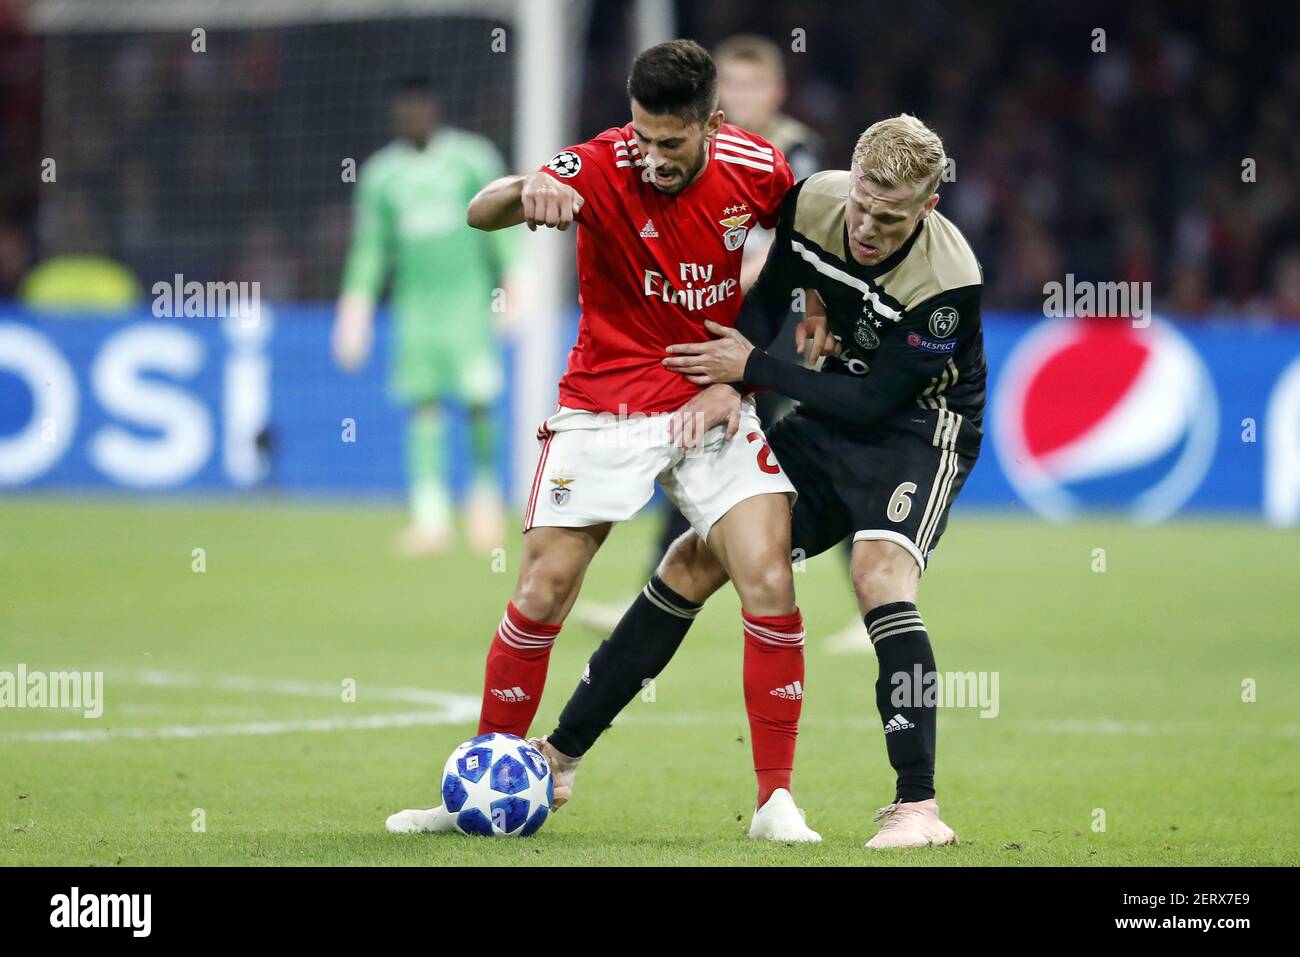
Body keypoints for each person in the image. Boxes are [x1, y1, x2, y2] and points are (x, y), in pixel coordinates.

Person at [386, 40, 820, 842]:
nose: (652, 155)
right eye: (642, 135)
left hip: (708, 403)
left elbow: (803, 240)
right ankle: (478, 780)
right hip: (606, 403)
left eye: (671, 142)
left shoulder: (757, 165)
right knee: (544, 587)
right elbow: (481, 209)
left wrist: (804, 313)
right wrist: (528, 187)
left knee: (767, 575)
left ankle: (774, 802)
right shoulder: (599, 162)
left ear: (712, 125)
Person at [540, 115, 985, 849]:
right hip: (828, 412)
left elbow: (877, 400)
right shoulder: (814, 201)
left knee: (878, 574)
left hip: (919, 430)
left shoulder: (948, 282)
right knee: (692, 558)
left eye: (891, 217)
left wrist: (751, 370)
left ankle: (918, 807)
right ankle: (561, 755)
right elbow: (772, 296)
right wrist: (736, 377)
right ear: (851, 179)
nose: (868, 227)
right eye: (863, 205)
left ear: (928, 207)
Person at [332, 75, 514, 556]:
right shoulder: (382, 175)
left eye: (420, 107)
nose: (413, 116)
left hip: (470, 308)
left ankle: (484, 500)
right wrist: (355, 311)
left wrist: (516, 282)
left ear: (435, 108)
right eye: (404, 109)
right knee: (423, 406)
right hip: (415, 312)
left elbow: (504, 229)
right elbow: (370, 251)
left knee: (479, 401)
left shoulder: (472, 159)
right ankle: (430, 515)